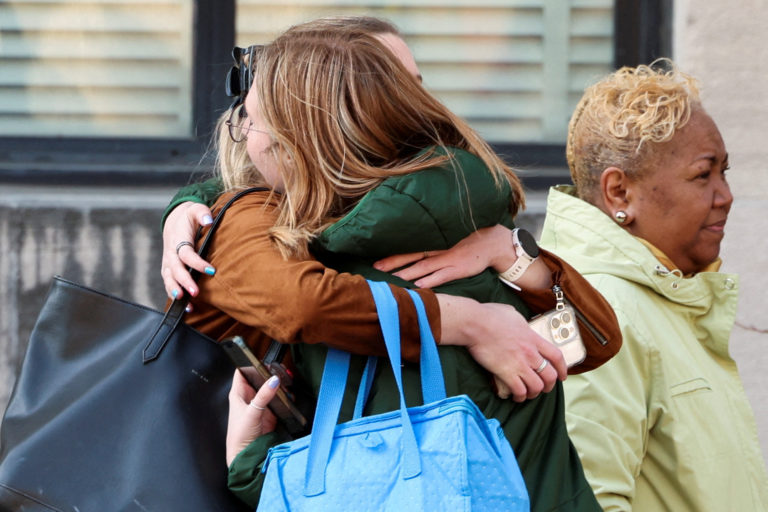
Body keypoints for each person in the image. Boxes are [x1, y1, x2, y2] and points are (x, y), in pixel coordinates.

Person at [183, 20, 614, 511]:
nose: (244, 137)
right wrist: (507, 260)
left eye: (254, 120)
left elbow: (357, 490)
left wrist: (250, 462)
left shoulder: (336, 290)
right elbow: (583, 346)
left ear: (302, 139)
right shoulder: (463, 225)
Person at [388, 59, 768, 511]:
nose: (724, 194)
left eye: (725, 172)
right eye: (703, 175)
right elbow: (590, 496)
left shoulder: (663, 298)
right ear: (619, 193)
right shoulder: (608, 312)